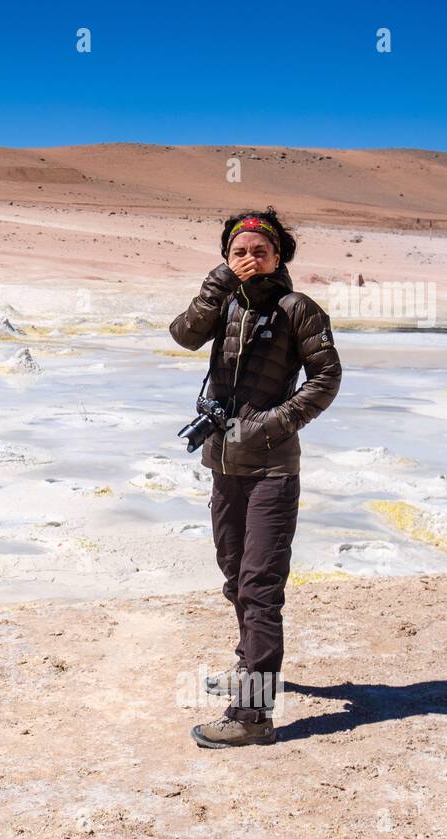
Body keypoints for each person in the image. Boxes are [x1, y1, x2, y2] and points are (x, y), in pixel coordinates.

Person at [169, 208, 342, 747]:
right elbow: (183, 336)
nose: (249, 259)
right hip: (224, 463)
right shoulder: (221, 303)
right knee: (232, 573)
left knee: (260, 587)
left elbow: (327, 376)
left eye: (259, 250)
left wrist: (270, 424)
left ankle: (252, 716)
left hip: (271, 466)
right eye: (238, 251)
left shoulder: (298, 309)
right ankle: (251, 664)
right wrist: (216, 287)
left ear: (279, 255)